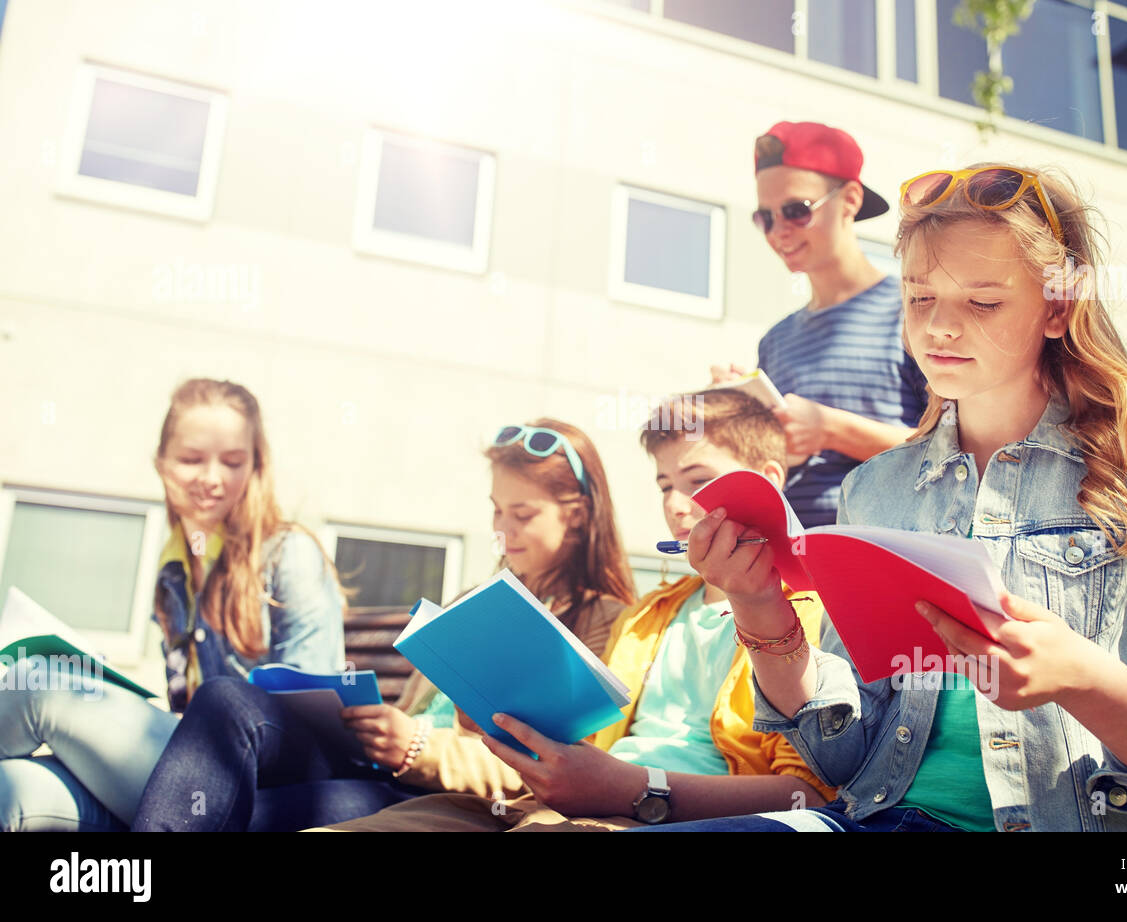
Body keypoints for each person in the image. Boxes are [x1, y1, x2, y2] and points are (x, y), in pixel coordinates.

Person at [644, 164, 1127, 831]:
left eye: (983, 302)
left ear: (1057, 307)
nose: (938, 328)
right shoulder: (874, 489)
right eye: (919, 298)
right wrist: (759, 604)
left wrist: (1085, 679)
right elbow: (842, 760)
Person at [316, 389, 834, 831]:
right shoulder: (648, 616)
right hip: (553, 803)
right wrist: (500, 717)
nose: (676, 503)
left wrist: (634, 789)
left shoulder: (814, 614)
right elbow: (582, 745)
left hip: (643, 812)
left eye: (697, 481)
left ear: (767, 479)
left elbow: (810, 796)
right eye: (663, 485)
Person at [131, 420, 635, 831]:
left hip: (426, 790)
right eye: (497, 511)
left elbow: (562, 770)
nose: (503, 530)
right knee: (224, 697)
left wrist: (416, 746)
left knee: (246, 814)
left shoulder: (607, 622)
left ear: (579, 515)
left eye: (523, 514)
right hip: (378, 758)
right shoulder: (477, 599)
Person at [0, 378, 346, 831]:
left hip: (256, 780)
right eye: (191, 459)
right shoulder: (174, 568)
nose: (211, 479)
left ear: (256, 465)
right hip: (184, 765)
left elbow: (310, 724)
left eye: (233, 462)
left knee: (35, 683)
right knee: (12, 787)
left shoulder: (289, 554)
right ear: (161, 463)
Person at [712, 120, 929, 527]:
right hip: (796, 569)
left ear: (849, 200)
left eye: (796, 211)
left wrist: (830, 429)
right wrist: (737, 416)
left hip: (890, 561)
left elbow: (962, 453)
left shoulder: (916, 309)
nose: (778, 233)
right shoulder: (775, 342)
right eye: (765, 218)